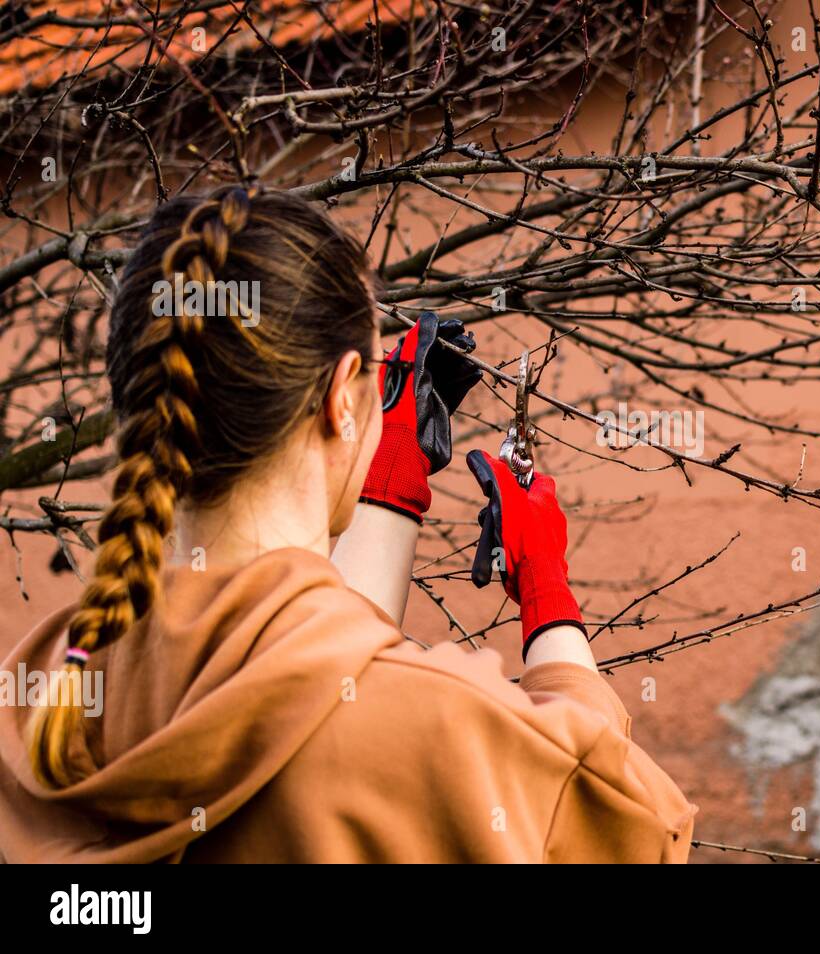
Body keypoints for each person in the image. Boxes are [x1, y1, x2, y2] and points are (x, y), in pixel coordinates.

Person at [0, 185, 697, 862]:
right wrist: (548, 596)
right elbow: (627, 817)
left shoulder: (35, 699)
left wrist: (388, 494)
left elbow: (303, 682)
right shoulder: (440, 730)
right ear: (341, 397)